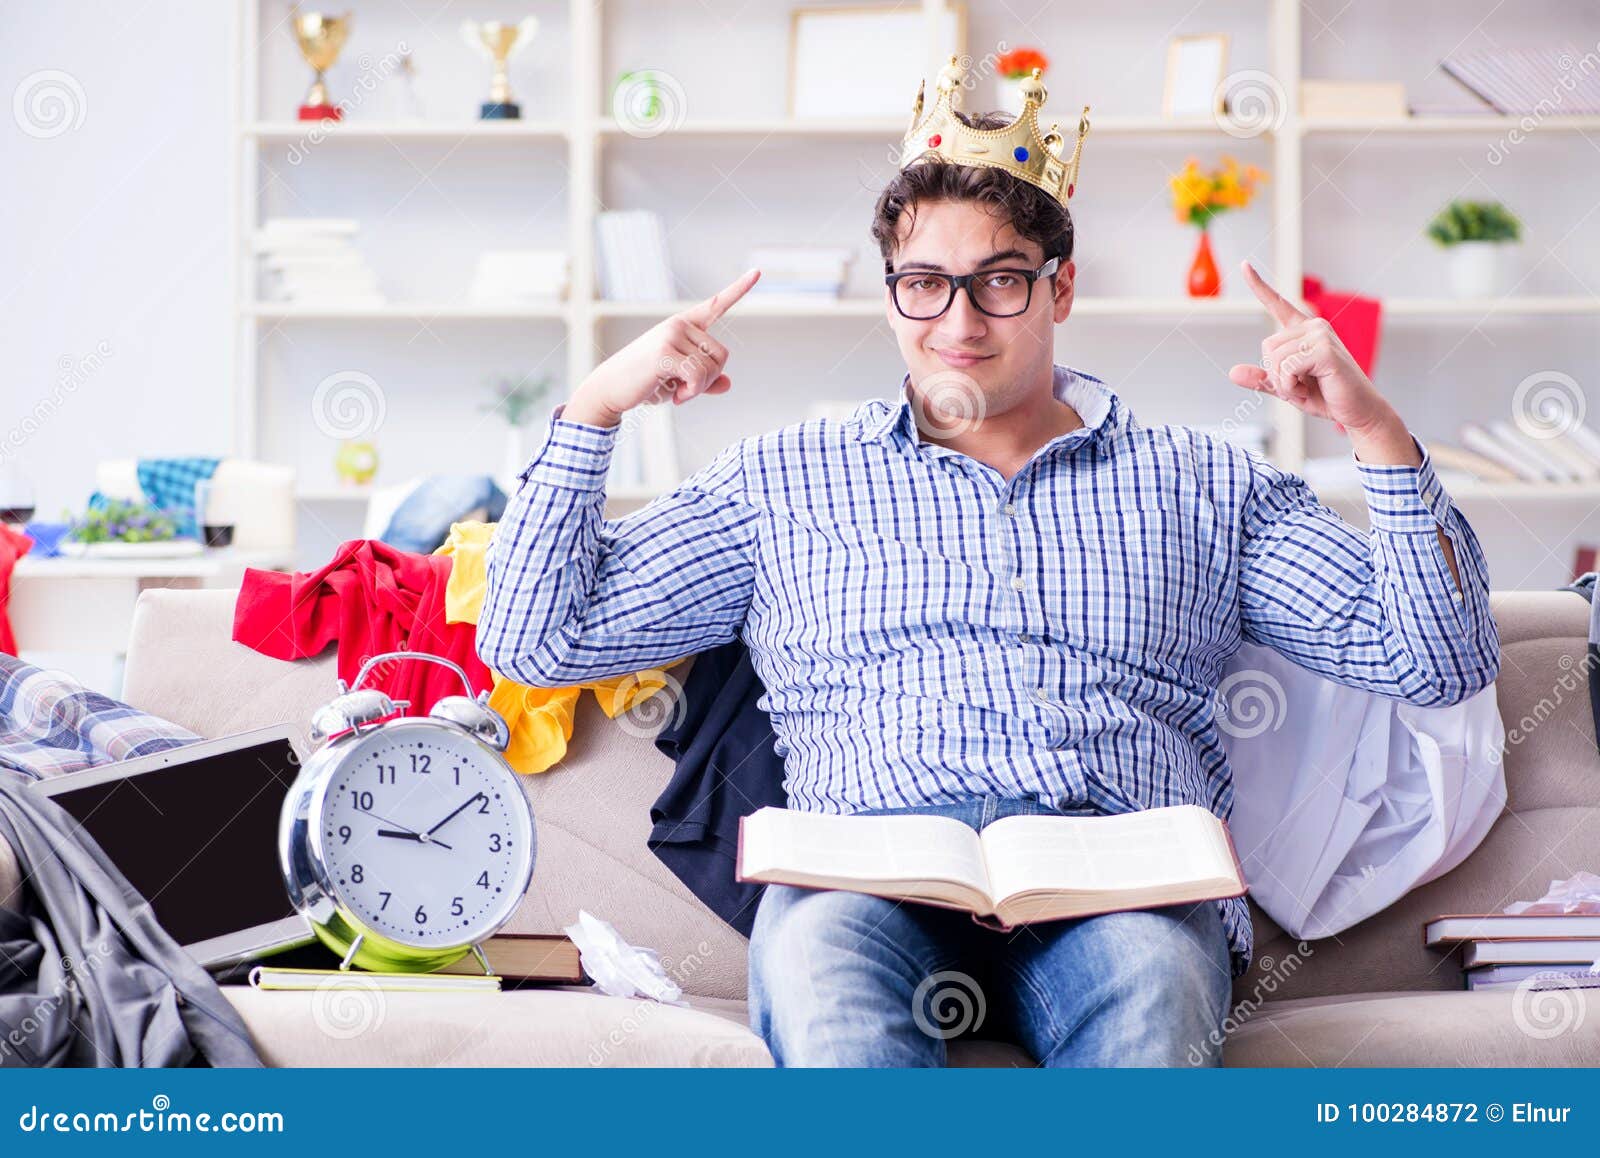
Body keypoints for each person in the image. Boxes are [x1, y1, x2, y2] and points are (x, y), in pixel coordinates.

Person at [476, 61, 1499, 1067]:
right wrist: (596, 410)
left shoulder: (1205, 483)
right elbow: (535, 640)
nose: (958, 324)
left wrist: (1374, 434)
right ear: (889, 298)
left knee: (1152, 996)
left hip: (1122, 885)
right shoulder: (782, 478)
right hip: (859, 882)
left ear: (1060, 286)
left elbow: (1436, 662)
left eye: (998, 282)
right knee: (823, 989)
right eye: (924, 285)